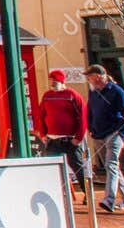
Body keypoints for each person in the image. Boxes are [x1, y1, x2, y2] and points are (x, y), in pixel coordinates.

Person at [86, 65, 124, 213]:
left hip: (113, 134)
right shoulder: (93, 93)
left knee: (111, 165)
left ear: (99, 77)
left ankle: (109, 199)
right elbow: (90, 112)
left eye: (90, 76)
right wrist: (91, 129)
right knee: (112, 167)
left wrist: (119, 132)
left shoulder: (116, 91)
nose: (88, 79)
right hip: (98, 134)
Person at [35, 68, 88, 200]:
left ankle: (87, 192)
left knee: (77, 167)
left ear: (61, 81)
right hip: (53, 139)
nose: (52, 84)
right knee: (52, 168)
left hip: (70, 139)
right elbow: (41, 115)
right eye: (51, 81)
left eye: (55, 81)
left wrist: (78, 137)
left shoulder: (72, 95)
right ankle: (56, 194)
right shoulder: (47, 96)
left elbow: (82, 117)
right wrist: (43, 134)